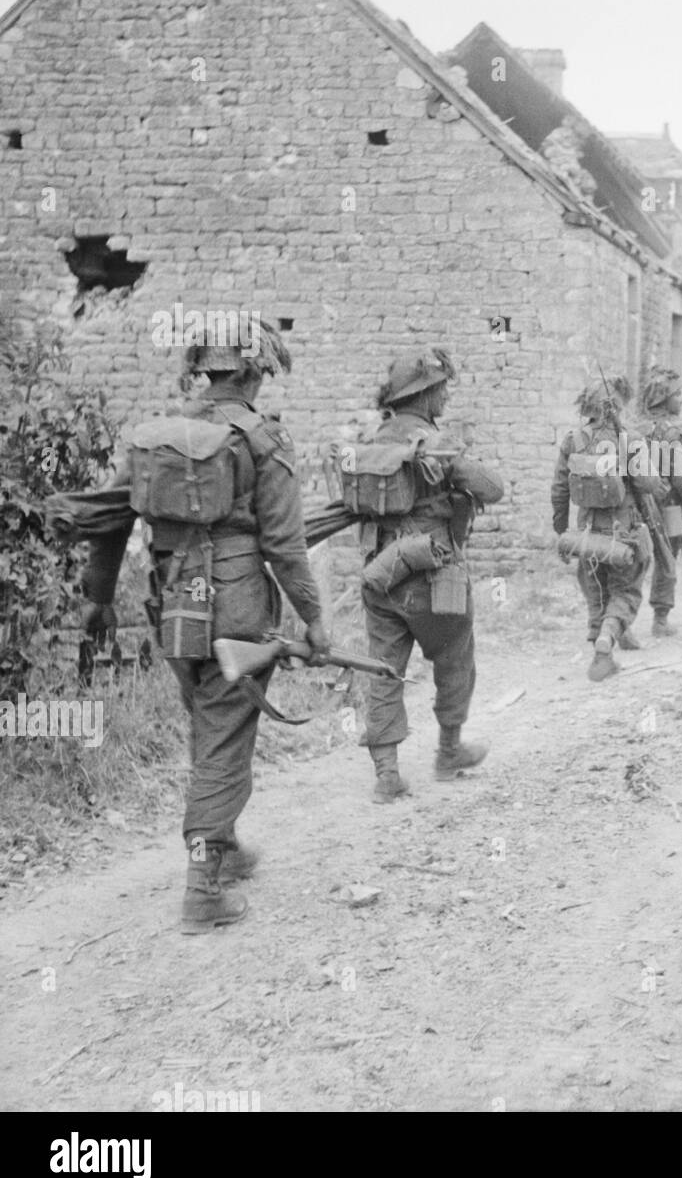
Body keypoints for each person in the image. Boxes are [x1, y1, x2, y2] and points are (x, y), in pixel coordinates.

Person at [80, 322, 330, 934]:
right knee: (224, 733)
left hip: (171, 604)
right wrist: (316, 619)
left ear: (205, 369)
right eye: (262, 374)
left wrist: (98, 600)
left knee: (208, 722)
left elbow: (109, 520)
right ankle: (202, 888)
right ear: (249, 371)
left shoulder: (156, 437)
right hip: (236, 605)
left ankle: (225, 843)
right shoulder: (261, 440)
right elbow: (285, 547)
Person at [343, 351, 504, 801]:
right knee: (455, 656)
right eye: (442, 388)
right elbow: (494, 488)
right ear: (426, 394)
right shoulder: (433, 445)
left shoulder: (372, 444)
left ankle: (387, 774)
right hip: (433, 575)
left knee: (384, 669)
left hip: (381, 573)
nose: (447, 394)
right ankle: (449, 753)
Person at [552, 376, 663, 681]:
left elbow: (559, 489)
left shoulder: (574, 440)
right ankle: (606, 644)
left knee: (595, 586)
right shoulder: (629, 439)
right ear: (618, 406)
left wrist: (561, 531)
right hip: (623, 531)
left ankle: (603, 634)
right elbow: (649, 484)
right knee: (626, 589)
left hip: (587, 532)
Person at [637, 366, 682, 637]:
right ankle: (660, 619)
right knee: (667, 556)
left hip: (634, 504)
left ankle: (618, 617)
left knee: (632, 557)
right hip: (668, 505)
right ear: (664, 399)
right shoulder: (672, 433)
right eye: (677, 394)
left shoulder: (633, 428)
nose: (681, 399)